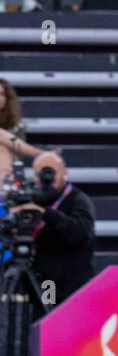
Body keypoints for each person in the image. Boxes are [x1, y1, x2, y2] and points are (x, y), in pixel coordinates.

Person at [6, 151, 95, 306]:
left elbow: (79, 232)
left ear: (65, 174)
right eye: (38, 173)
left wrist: (46, 213)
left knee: (61, 322)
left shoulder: (78, 199)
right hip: (47, 281)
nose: (44, 179)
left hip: (72, 284)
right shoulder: (31, 197)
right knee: (44, 320)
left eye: (50, 172)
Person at [0, 78, 45, 182]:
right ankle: (38, 153)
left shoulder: (16, 123)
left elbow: (18, 151)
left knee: (3, 148)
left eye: (2, 94)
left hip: (9, 162)